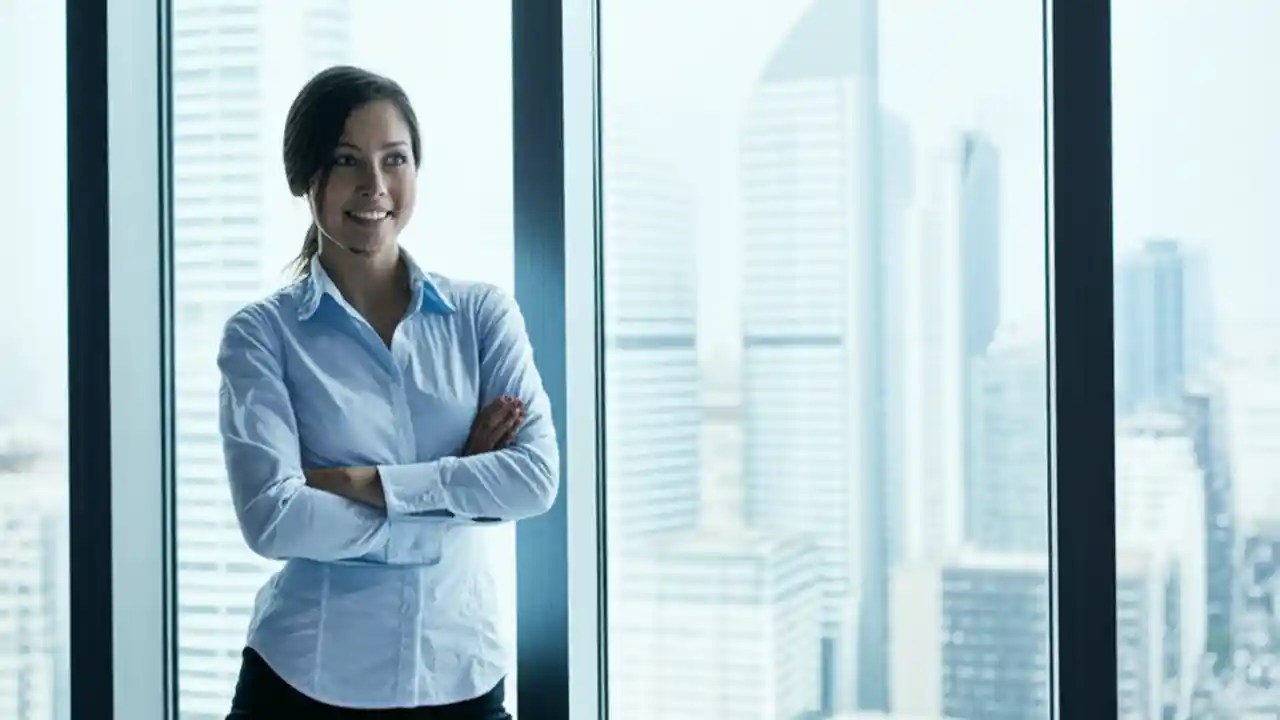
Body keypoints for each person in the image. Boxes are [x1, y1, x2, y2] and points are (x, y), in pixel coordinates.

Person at [218, 65, 558, 718]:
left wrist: (364, 481)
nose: (374, 186)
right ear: (304, 177)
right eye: (346, 160)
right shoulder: (262, 335)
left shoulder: (482, 316)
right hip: (304, 682)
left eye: (394, 159)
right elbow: (274, 516)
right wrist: (452, 487)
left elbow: (535, 478)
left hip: (461, 676)